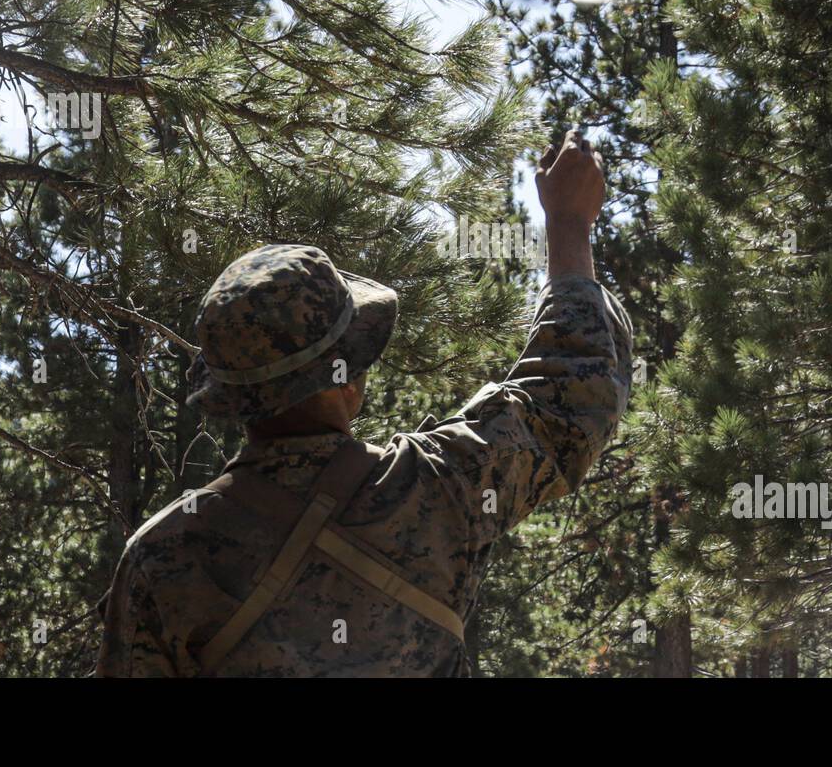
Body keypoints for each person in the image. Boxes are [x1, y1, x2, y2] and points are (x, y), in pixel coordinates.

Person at [96, 129, 633, 676]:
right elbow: (571, 401)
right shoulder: (438, 487)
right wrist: (568, 225)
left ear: (233, 399)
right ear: (348, 381)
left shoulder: (162, 557)